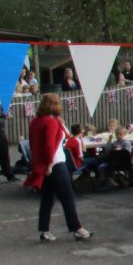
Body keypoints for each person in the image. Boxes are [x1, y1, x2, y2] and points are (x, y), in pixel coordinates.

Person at [23, 93, 92, 242]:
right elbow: (50, 145)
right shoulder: (51, 122)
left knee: (47, 197)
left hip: (45, 163)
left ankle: (45, 230)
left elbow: (35, 143)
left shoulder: (35, 121)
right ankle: (77, 228)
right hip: (55, 163)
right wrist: (50, 163)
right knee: (67, 197)